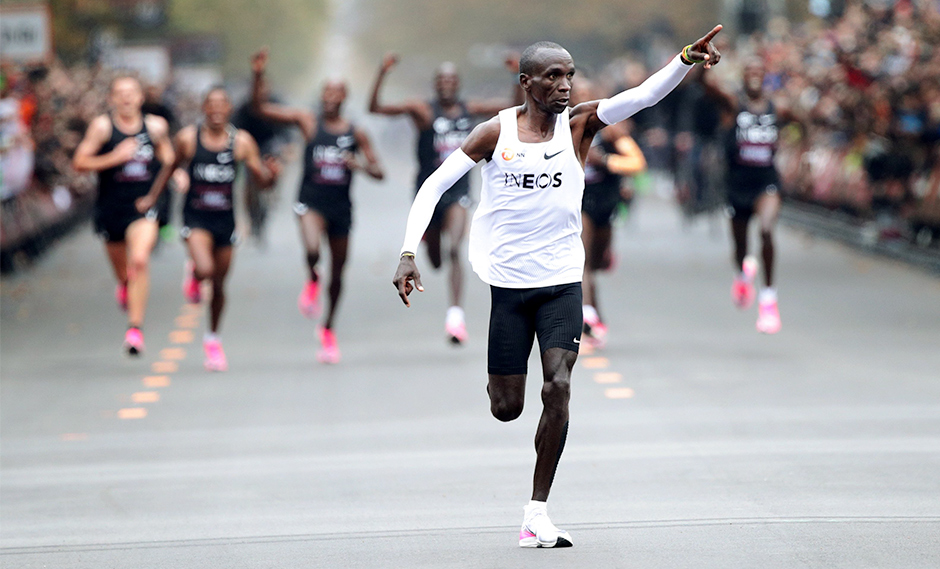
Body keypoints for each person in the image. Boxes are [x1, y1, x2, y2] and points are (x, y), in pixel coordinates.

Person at [393, 28, 722, 548]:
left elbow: (642, 97)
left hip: (562, 281)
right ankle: (500, 385)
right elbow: (434, 186)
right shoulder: (493, 134)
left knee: (559, 385)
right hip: (509, 285)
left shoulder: (580, 125)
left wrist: (684, 59)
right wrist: (409, 252)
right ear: (526, 83)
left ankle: (537, 512)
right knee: (507, 407)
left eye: (569, 75)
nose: (565, 85)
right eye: (552, 76)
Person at [370, 53, 521, 344]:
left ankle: (455, 317)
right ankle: (430, 238)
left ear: (458, 84)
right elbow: (375, 108)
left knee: (455, 250)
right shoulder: (423, 111)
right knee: (437, 260)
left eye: (451, 79)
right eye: (441, 79)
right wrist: (382, 72)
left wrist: (516, 76)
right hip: (430, 190)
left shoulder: (469, 109)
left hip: (459, 190)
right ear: (435, 84)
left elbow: (512, 110)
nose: (446, 84)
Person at [251, 49, 384, 364]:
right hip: (310, 202)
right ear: (321, 96)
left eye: (337, 93)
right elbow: (260, 109)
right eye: (326, 92)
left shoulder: (355, 132)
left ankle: (328, 328)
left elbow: (379, 172)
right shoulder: (308, 122)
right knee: (312, 249)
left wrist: (359, 166)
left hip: (341, 208)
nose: (330, 97)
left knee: (338, 273)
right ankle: (312, 276)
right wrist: (258, 74)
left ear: (344, 98)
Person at [157, 87, 279, 371]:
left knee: (220, 285)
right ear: (203, 108)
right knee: (206, 269)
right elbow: (169, 169)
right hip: (195, 218)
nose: (215, 110)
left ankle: (213, 339)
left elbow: (260, 181)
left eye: (221, 104)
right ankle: (195, 272)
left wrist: (272, 177)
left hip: (225, 220)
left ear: (229, 109)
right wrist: (152, 199)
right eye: (210, 104)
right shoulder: (188, 139)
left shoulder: (241, 142)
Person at [73, 75, 175, 356]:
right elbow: (79, 162)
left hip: (143, 206)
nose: (127, 97)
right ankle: (124, 285)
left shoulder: (156, 127)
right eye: (120, 93)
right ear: (112, 99)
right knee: (123, 272)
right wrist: (114, 158)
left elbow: (168, 157)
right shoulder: (102, 127)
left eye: (131, 92)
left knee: (139, 260)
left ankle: (135, 329)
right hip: (111, 207)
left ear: (141, 97)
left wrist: (176, 173)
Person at [701, 58, 785, 334]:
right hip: (737, 183)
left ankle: (768, 299)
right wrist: (702, 63)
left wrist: (805, 156)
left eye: (759, 71)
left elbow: (805, 121)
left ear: (765, 76)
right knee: (740, 244)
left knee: (766, 230)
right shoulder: (733, 104)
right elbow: (708, 89)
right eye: (749, 71)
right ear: (744, 76)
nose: (754, 75)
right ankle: (742, 274)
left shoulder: (777, 108)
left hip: (766, 182)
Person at [570, 79, 647, 347]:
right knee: (582, 261)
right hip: (578, 202)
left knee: (596, 264)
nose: (581, 99)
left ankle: (594, 311)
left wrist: (603, 161)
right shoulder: (564, 129)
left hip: (605, 201)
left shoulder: (609, 130)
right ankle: (589, 316)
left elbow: (637, 163)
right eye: (576, 95)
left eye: (586, 94)